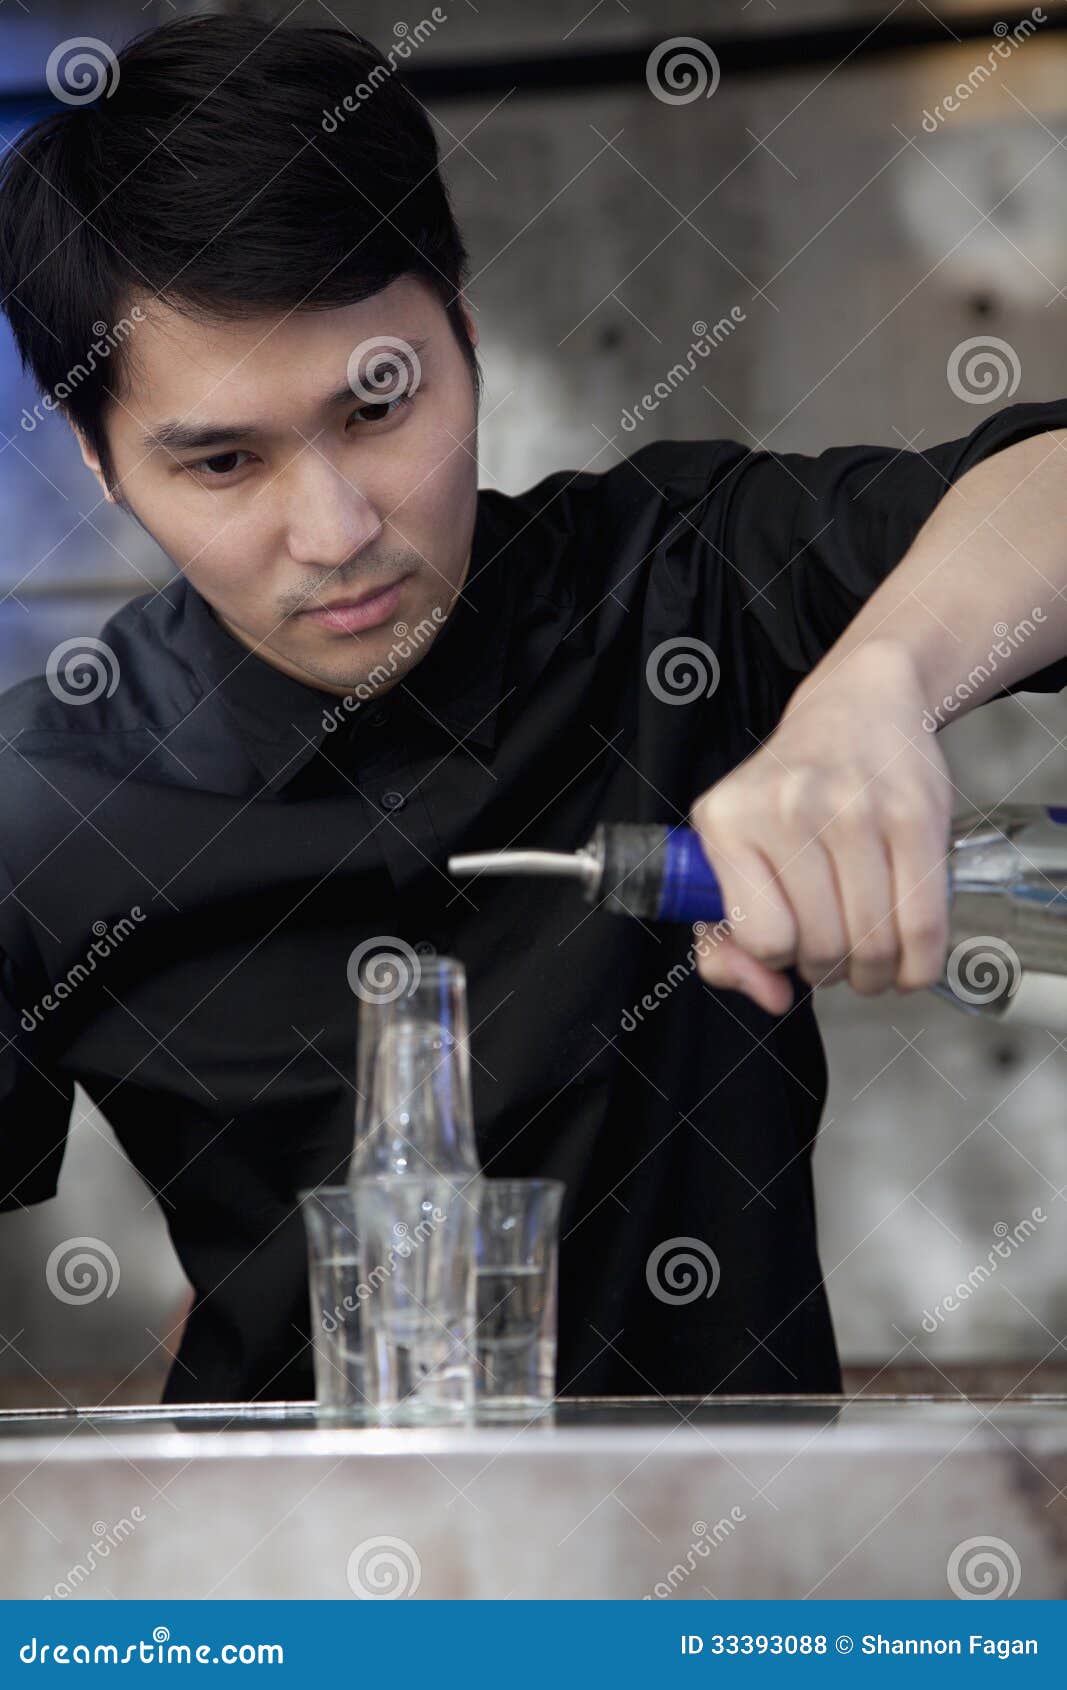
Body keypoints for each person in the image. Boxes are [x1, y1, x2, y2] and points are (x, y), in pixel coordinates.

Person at [1, 13, 1066, 1405]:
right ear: (99, 461)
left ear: (465, 334)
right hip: (278, 1538)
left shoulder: (680, 588)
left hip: (738, 1534)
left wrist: (878, 686)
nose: (335, 531)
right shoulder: (46, 801)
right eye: (222, 464)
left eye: (377, 408)